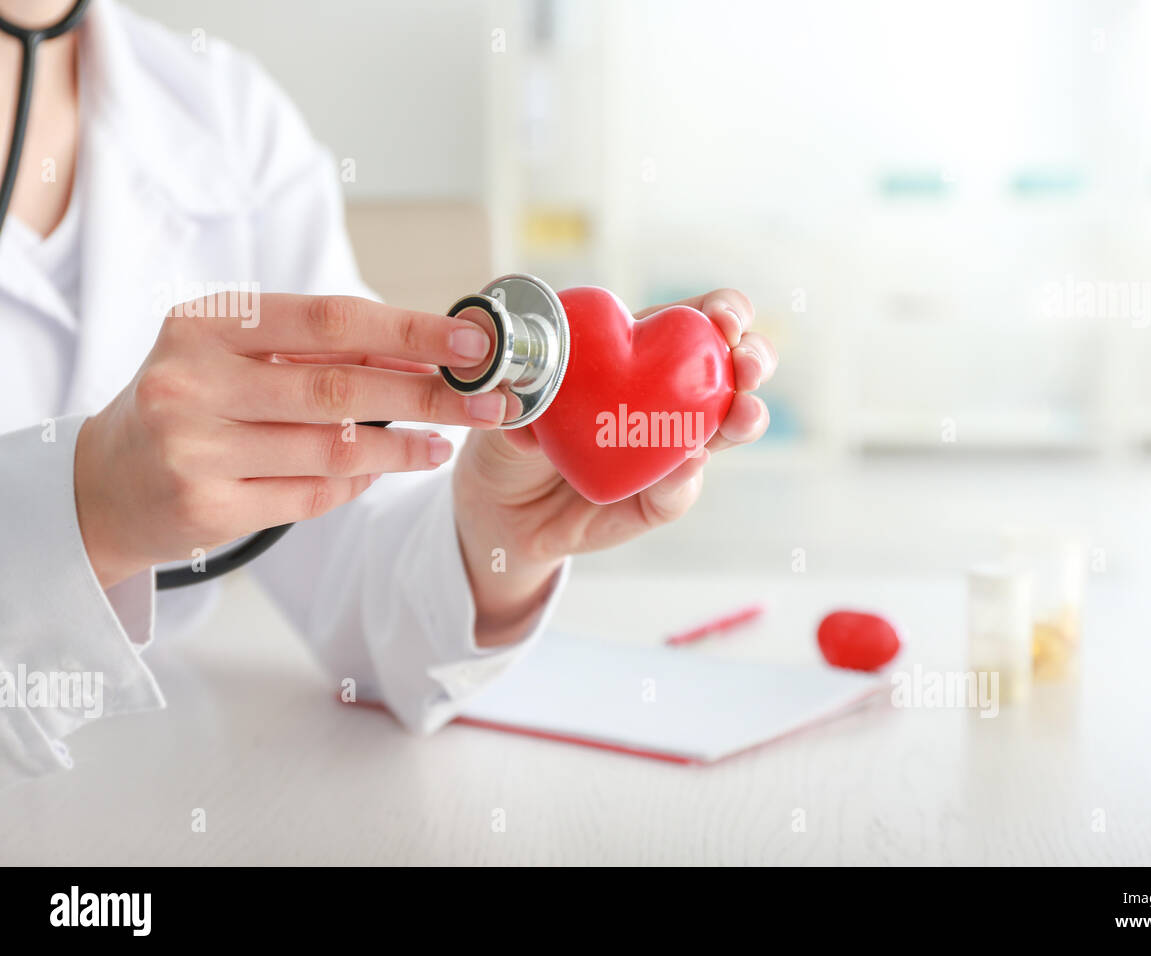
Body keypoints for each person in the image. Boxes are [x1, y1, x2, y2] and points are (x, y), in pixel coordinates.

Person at [0, 0, 777, 787]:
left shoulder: (225, 114)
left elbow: (358, 595)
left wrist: (493, 541)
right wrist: (84, 507)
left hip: (161, 790)